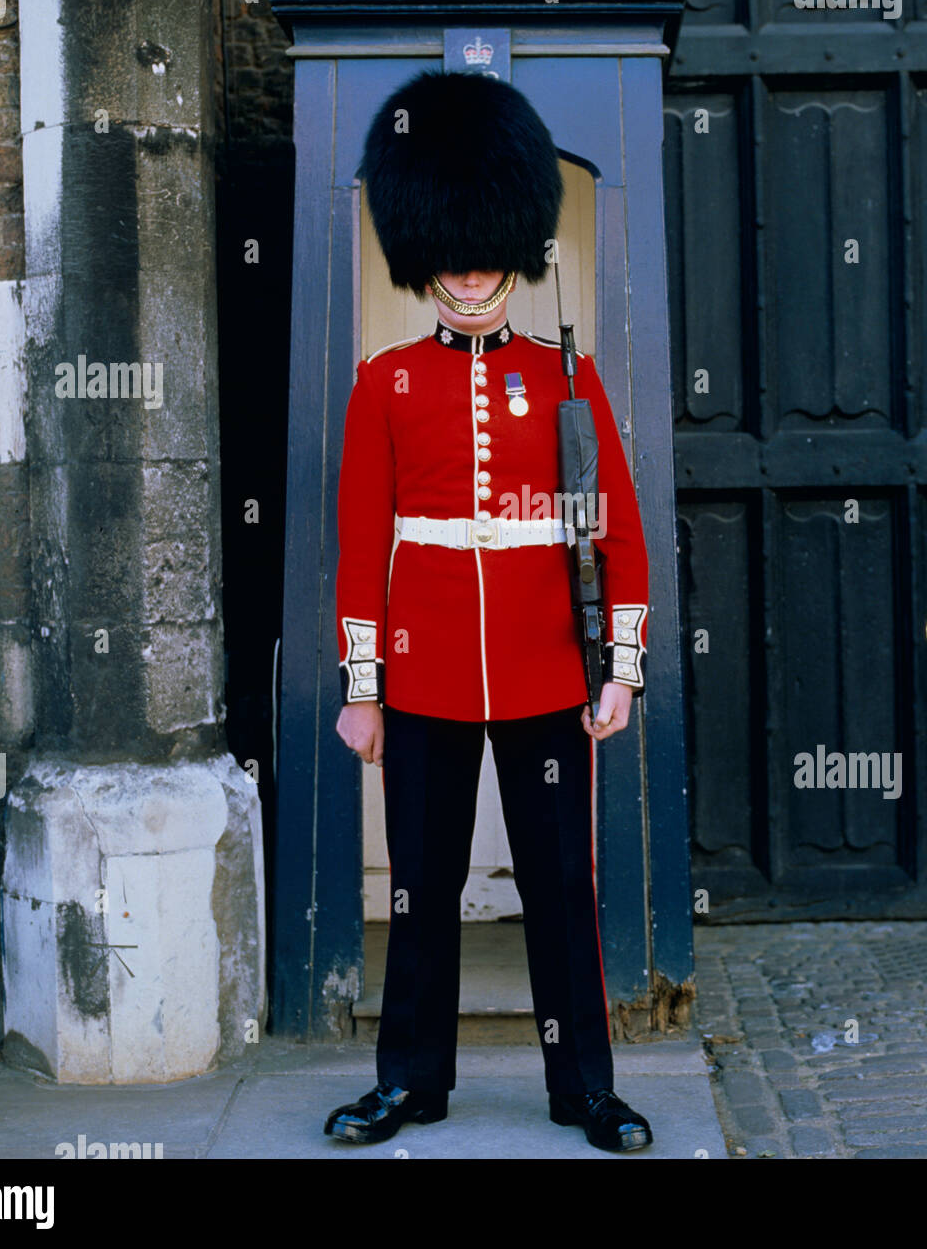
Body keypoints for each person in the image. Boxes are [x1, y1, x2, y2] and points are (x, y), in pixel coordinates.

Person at [322, 69, 653, 1153]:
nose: (468, 270)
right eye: (450, 250)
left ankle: (583, 1087)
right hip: (421, 679)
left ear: (513, 246)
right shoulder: (387, 382)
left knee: (561, 882)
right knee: (423, 884)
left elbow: (612, 527)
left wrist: (619, 664)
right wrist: (363, 691)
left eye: (484, 247)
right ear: (425, 256)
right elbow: (362, 543)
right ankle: (411, 1081)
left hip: (545, 668)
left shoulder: (567, 379)